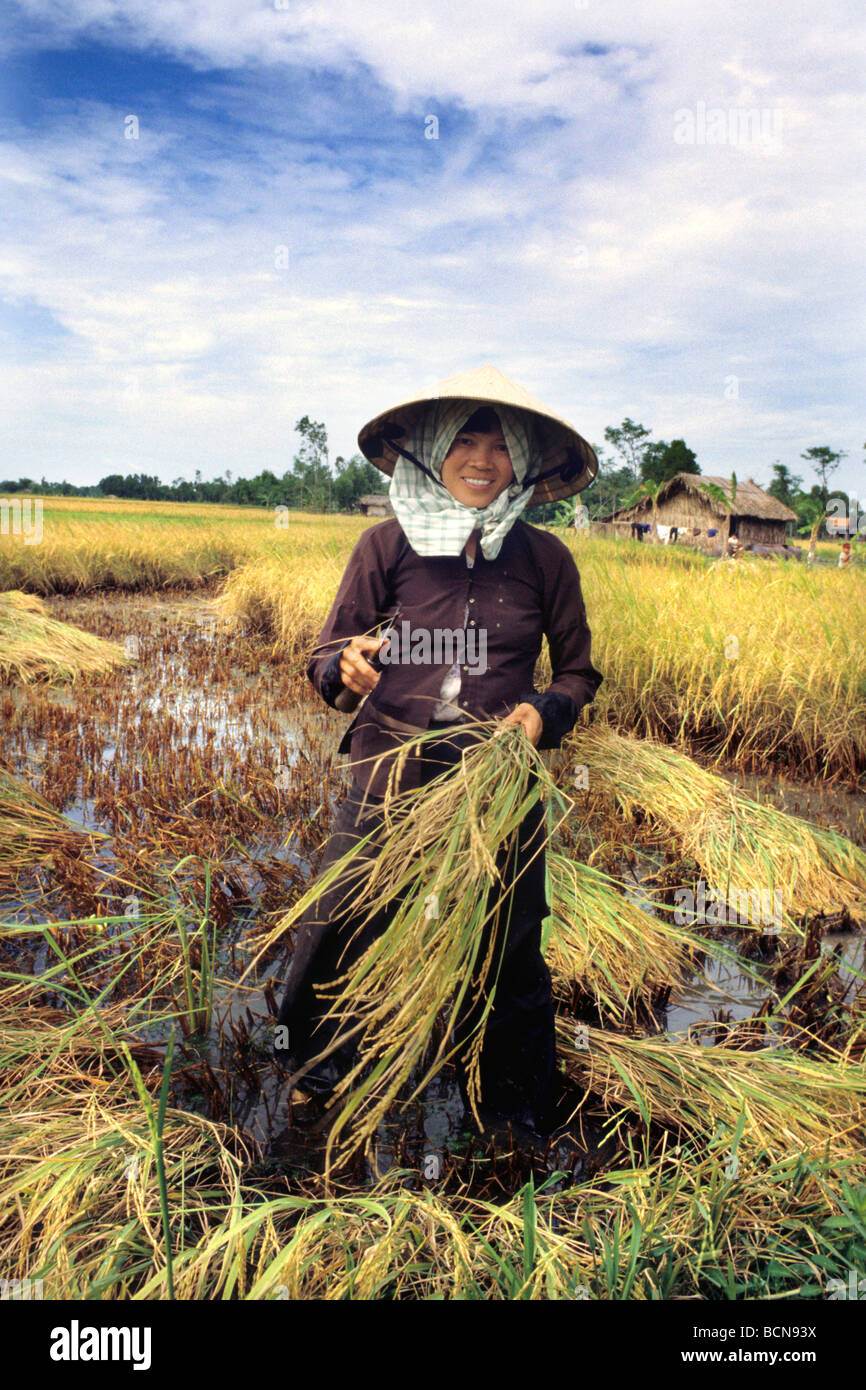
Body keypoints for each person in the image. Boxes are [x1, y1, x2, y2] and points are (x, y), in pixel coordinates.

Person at [274, 366, 603, 1137]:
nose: (481, 460)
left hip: (498, 774)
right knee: (342, 914)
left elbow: (581, 672)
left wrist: (542, 715)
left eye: (499, 445)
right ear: (428, 452)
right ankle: (316, 1070)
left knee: (510, 937)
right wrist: (344, 670)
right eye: (463, 441)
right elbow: (327, 654)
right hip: (388, 762)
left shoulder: (546, 559)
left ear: (521, 461)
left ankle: (512, 1103)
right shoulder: (384, 544)